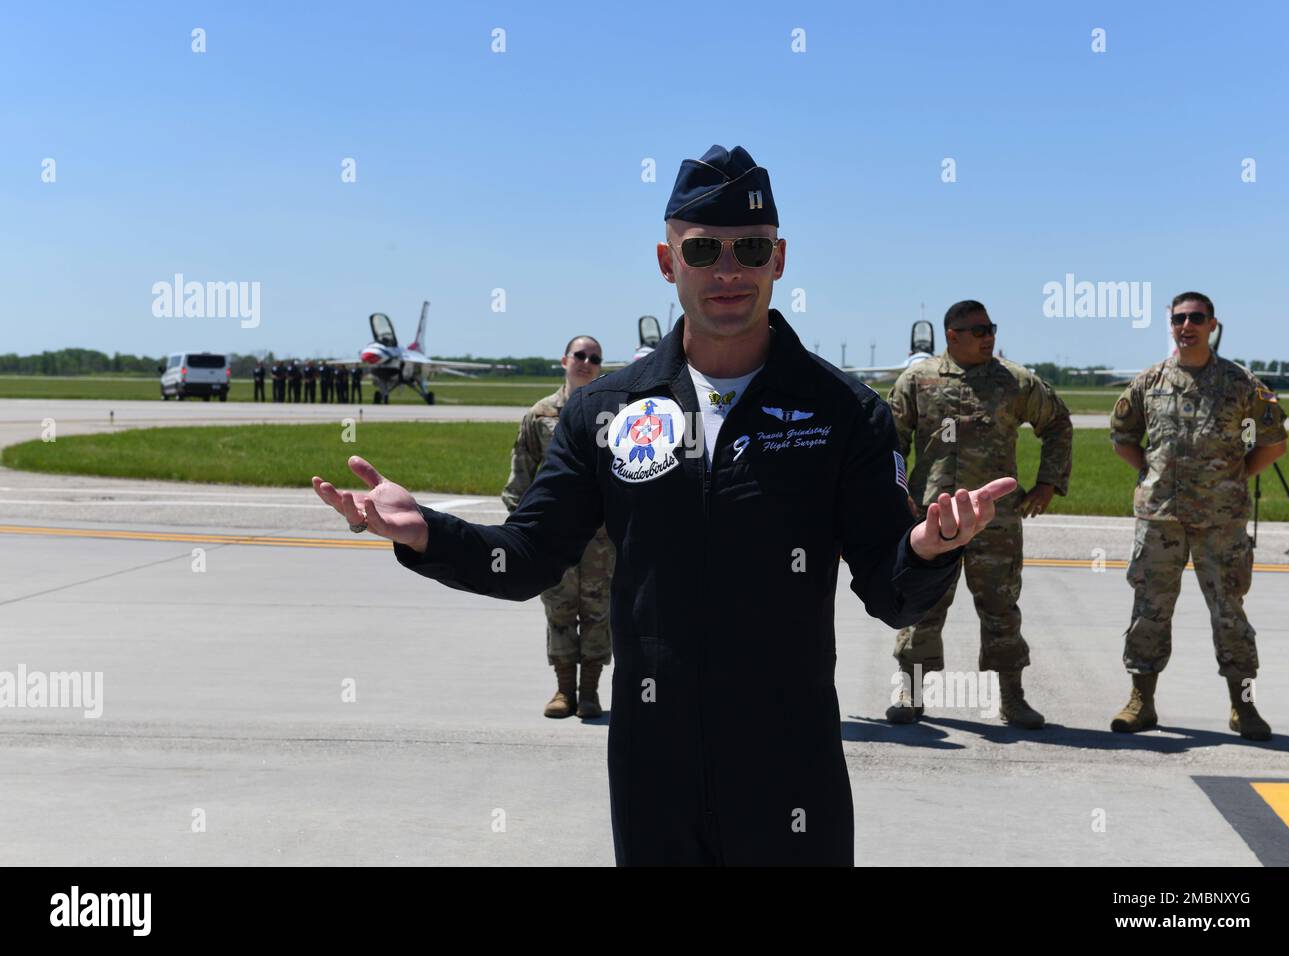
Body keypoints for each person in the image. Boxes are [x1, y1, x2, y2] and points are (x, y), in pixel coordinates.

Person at [311, 144, 1016, 865]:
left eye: (751, 248)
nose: (728, 270)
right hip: (654, 763)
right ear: (666, 260)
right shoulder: (605, 410)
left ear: (780, 259)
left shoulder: (842, 413)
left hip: (789, 764)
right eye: (704, 249)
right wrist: (427, 533)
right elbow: (526, 558)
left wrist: (931, 550)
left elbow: (892, 593)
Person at [885, 300, 1073, 727]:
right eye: (979, 330)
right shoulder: (918, 380)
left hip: (996, 520)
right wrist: (896, 497)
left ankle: (1012, 697)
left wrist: (1048, 483)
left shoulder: (1014, 381)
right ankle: (911, 692)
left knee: (1001, 606)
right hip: (935, 519)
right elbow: (890, 441)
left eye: (991, 328)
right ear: (953, 336)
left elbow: (1058, 422)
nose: (989, 336)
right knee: (923, 604)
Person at [1109, 292, 1287, 741]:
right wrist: (1153, 476)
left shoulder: (1240, 382)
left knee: (1230, 613)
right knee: (1149, 611)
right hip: (1160, 520)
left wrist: (1236, 477)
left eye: (1196, 318)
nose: (1187, 325)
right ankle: (1141, 701)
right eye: (1179, 318)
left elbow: (1274, 441)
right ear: (1170, 325)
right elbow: (1122, 437)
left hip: (1221, 521)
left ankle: (1242, 707)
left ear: (1212, 324)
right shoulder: (1148, 382)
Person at [502, 335, 614, 718]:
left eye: (595, 358)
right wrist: (522, 535)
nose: (587, 362)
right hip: (554, 537)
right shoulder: (540, 416)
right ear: (565, 360)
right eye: (580, 355)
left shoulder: (611, 414)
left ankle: (590, 693)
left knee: (599, 613)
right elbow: (520, 479)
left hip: (602, 543)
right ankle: (564, 690)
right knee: (560, 613)